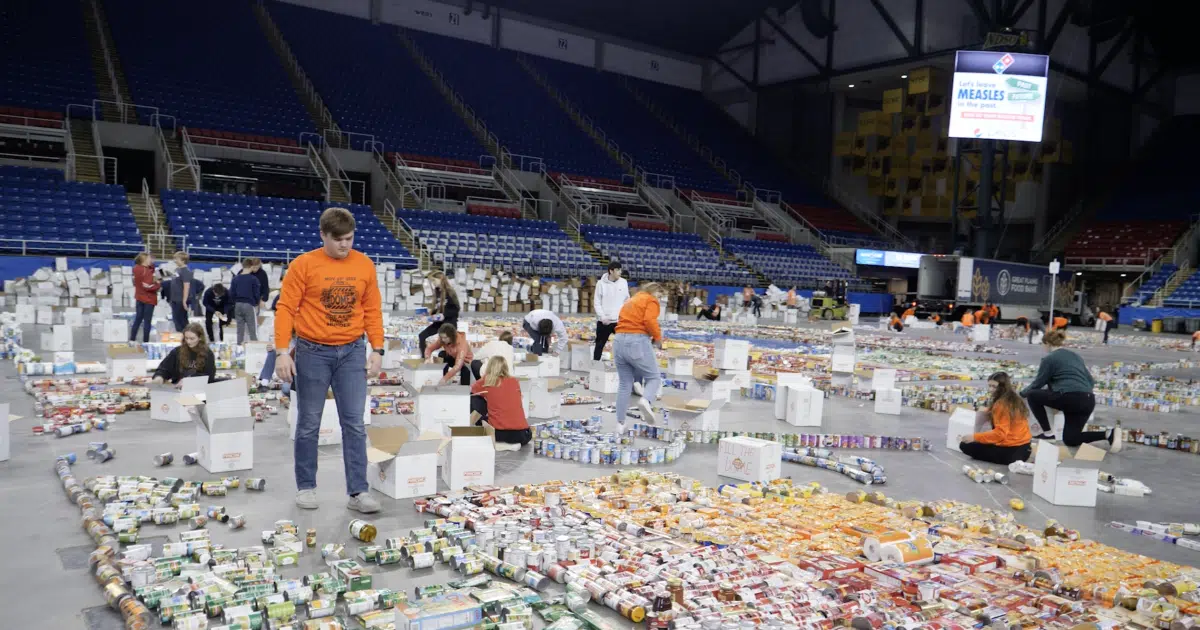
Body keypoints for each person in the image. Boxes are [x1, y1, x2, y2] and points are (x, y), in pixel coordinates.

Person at [274, 207, 384, 513]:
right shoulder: (304, 265)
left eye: (349, 238)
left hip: (352, 351)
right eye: (338, 240)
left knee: (355, 424)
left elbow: (373, 310)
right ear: (323, 235)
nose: (345, 245)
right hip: (312, 351)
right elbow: (286, 309)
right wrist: (283, 351)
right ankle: (306, 487)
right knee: (309, 423)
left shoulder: (364, 265)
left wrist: (377, 349)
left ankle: (358, 492)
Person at [1020, 330, 1122, 451]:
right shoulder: (1076, 356)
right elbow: (1090, 381)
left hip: (1070, 398)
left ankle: (1048, 434)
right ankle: (1108, 434)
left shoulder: (1049, 358)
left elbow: (1038, 383)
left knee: (1032, 395)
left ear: (1047, 343)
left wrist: (1021, 394)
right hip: (1087, 400)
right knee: (1071, 439)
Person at [614, 282, 664, 432]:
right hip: (637, 341)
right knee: (654, 378)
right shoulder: (650, 300)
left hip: (618, 341)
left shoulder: (631, 300)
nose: (660, 300)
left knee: (624, 384)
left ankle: (620, 424)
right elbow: (649, 320)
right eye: (660, 296)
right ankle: (645, 400)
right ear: (654, 291)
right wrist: (658, 338)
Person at [959, 372, 1032, 465]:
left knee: (965, 445)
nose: (990, 389)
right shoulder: (1014, 399)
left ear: (1002, 387)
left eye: (994, 386)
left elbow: (1000, 434)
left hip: (1012, 453)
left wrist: (975, 437)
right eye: (989, 386)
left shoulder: (1001, 404)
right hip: (1025, 448)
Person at [470, 356, 531, 451]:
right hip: (522, 435)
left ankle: (499, 444)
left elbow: (473, 390)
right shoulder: (514, 381)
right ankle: (511, 444)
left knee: (476, 398)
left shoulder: (486, 381)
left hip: (498, 433)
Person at [151, 322, 216, 384]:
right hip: (177, 391)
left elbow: (209, 377)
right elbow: (164, 368)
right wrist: (159, 377)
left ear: (200, 338)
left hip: (199, 391)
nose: (188, 341)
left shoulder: (208, 354)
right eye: (186, 338)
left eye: (192, 338)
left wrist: (189, 381)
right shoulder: (177, 351)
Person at [593, 262, 629, 361]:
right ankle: (595, 366)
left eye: (620, 270)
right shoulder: (600, 284)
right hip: (605, 321)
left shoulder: (624, 282)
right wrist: (602, 317)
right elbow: (597, 302)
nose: (620, 272)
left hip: (620, 321)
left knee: (625, 344)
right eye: (618, 270)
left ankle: (623, 366)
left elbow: (627, 300)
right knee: (599, 344)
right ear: (611, 271)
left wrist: (625, 316)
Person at [418, 273, 460, 356]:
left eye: (434, 280)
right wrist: (429, 315)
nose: (432, 282)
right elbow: (437, 308)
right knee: (422, 336)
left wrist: (435, 317)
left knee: (447, 343)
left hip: (449, 323)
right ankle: (424, 358)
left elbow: (455, 310)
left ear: (441, 279)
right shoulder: (437, 292)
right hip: (439, 323)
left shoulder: (450, 292)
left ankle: (452, 358)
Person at [130, 252, 160, 343]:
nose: (150, 260)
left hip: (139, 297)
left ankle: (132, 339)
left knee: (138, 319)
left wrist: (152, 264)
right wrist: (158, 284)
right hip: (149, 299)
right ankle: (146, 342)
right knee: (147, 321)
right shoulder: (146, 272)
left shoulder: (136, 268)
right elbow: (150, 286)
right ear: (144, 260)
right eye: (149, 259)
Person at [230, 264, 261, 343]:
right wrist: (256, 302)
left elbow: (231, 293)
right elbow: (257, 293)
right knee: (252, 330)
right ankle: (254, 349)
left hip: (238, 304)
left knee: (240, 330)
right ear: (251, 267)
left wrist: (235, 303)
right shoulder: (253, 279)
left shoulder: (235, 278)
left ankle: (239, 347)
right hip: (249, 304)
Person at [167, 252, 194, 332]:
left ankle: (186, 336)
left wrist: (184, 301)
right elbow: (175, 281)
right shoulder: (177, 269)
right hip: (174, 299)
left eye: (176, 259)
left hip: (180, 300)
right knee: (176, 320)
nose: (175, 260)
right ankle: (180, 336)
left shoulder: (186, 271)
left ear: (183, 260)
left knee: (182, 321)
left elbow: (186, 286)